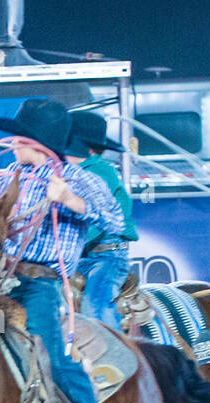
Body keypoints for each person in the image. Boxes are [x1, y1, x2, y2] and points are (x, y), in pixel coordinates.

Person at [0, 98, 125, 403]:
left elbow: (114, 220)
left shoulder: (78, 181)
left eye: (18, 138)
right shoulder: (2, 178)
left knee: (51, 354)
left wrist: (69, 200)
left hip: (39, 282)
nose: (10, 144)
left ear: (37, 143)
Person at [65, 111, 138, 333]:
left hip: (105, 256)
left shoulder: (100, 172)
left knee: (94, 306)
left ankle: (112, 359)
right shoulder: (67, 172)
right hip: (80, 258)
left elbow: (97, 224)